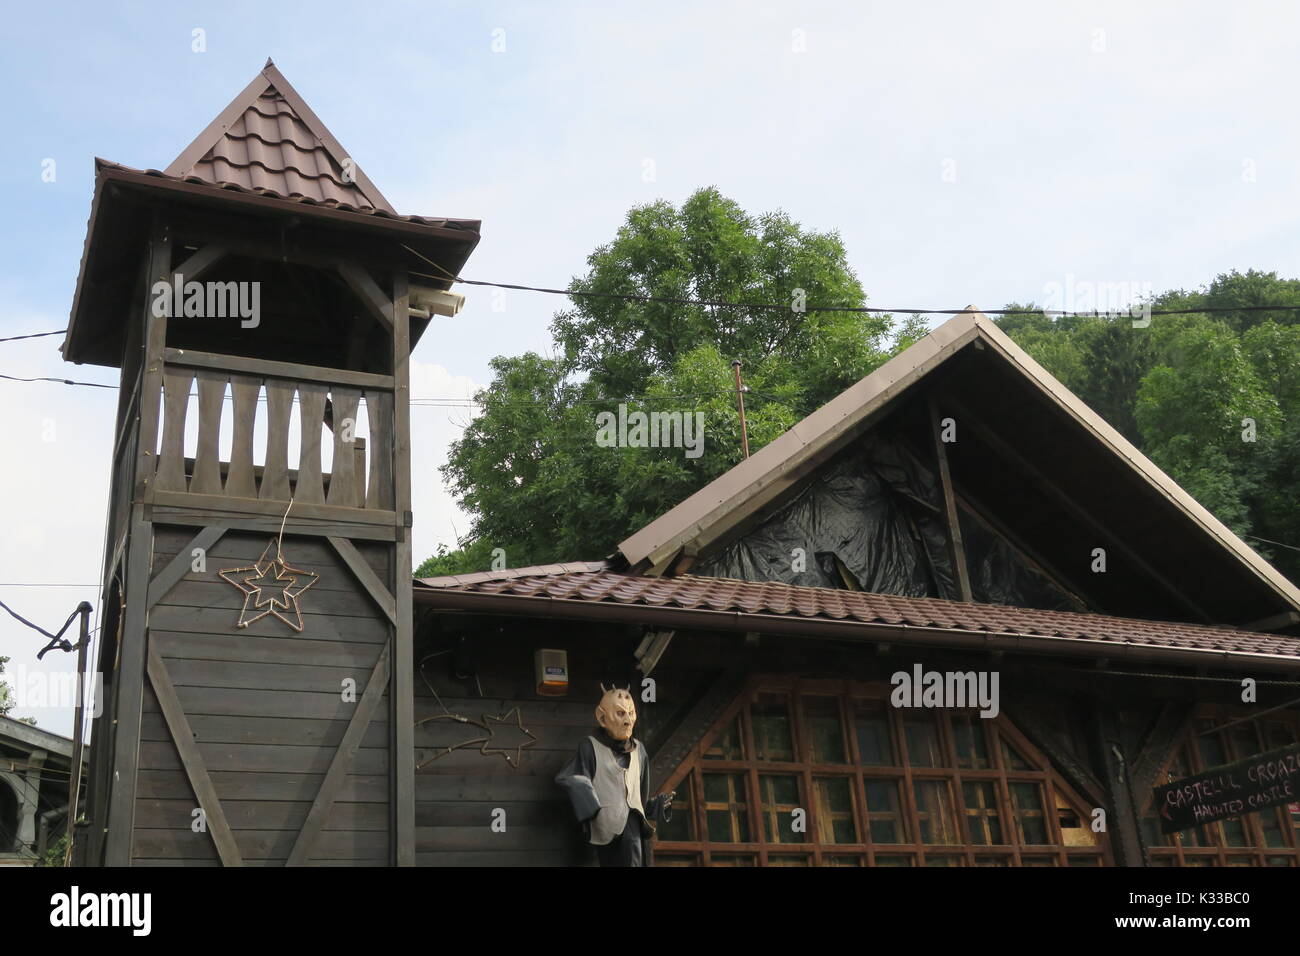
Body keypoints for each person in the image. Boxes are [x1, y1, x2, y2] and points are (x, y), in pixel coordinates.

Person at [555, 685, 673, 866]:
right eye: (620, 713)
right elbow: (568, 777)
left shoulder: (639, 750)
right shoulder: (590, 747)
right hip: (606, 828)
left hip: (633, 829)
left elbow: (638, 797)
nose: (628, 720)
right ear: (602, 717)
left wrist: (656, 804)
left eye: (631, 713)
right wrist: (592, 804)